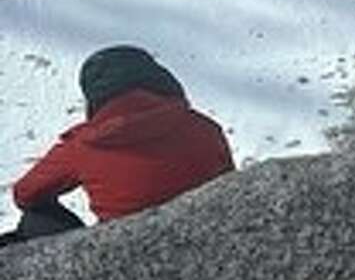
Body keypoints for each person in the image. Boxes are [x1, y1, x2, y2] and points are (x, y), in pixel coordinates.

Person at [3, 46, 234, 248]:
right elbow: (230, 188)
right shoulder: (204, 127)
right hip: (209, 246)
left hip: (122, 259)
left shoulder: (84, 145)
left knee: (36, 218)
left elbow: (25, 194)